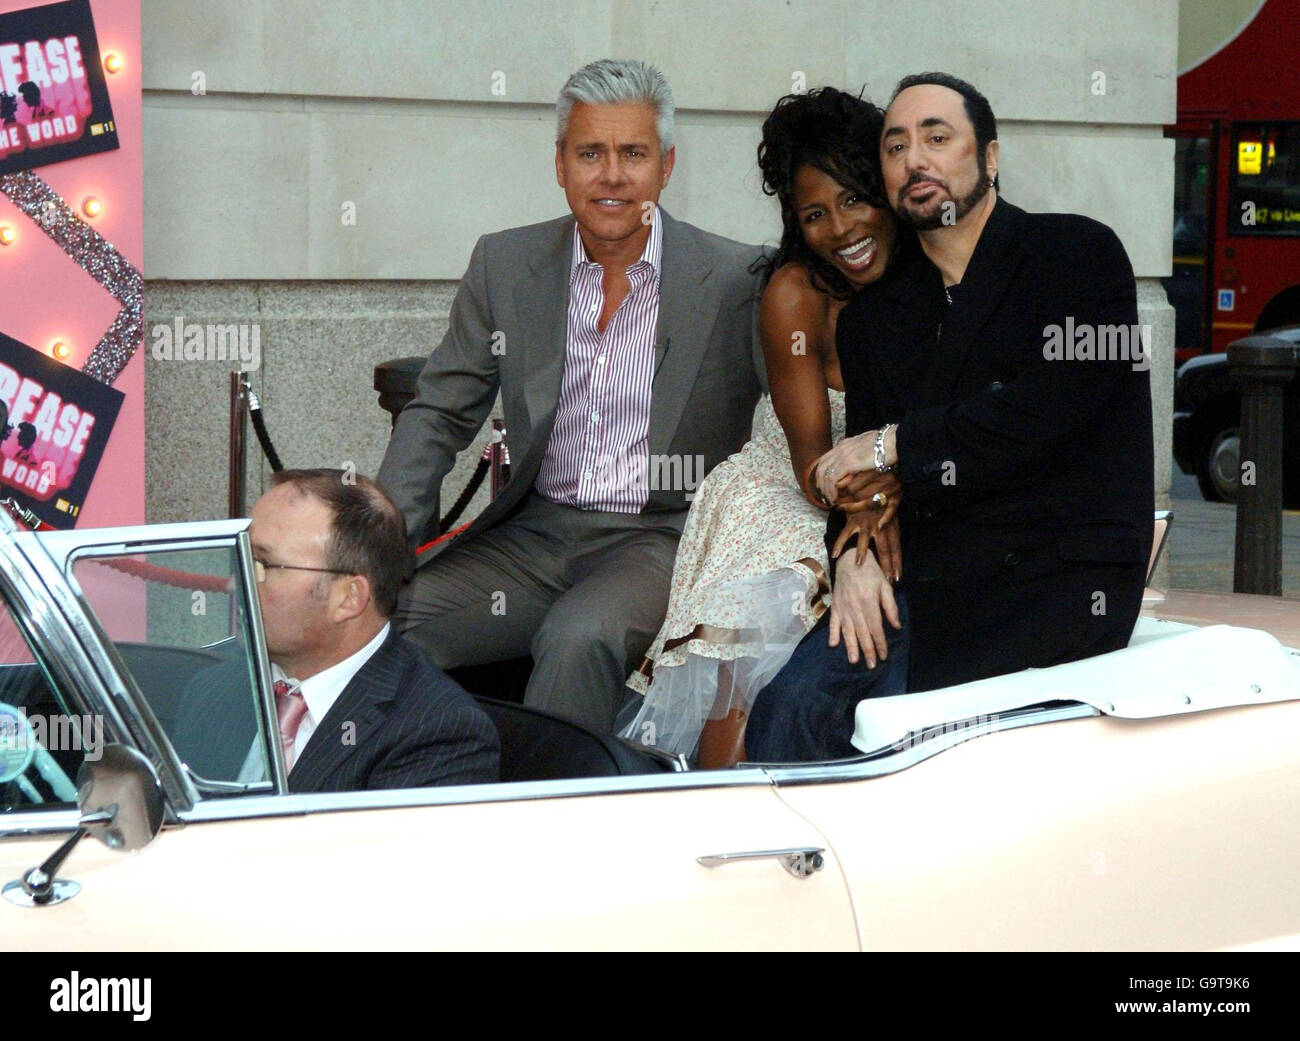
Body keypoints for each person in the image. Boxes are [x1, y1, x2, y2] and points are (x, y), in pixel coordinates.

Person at [746, 72, 1154, 762]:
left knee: (898, 732)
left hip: (1054, 586)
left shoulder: (1076, 254)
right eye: (897, 146)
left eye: (938, 136)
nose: (916, 158)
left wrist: (895, 444)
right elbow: (862, 481)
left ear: (989, 158)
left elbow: (1047, 408)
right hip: (928, 583)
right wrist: (855, 556)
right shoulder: (875, 320)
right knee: (788, 711)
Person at [377, 59, 765, 732]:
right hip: (533, 535)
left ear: (666, 166)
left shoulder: (737, 279)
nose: (611, 175)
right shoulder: (505, 265)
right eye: (591, 153)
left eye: (633, 154)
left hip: (660, 538)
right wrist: (377, 545)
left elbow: (809, 399)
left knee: (579, 636)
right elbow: (439, 413)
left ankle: (554, 829)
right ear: (561, 164)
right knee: (379, 624)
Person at [618, 88, 905, 765]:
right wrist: (873, 506)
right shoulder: (794, 295)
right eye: (815, 214)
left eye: (855, 198)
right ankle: (724, 812)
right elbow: (812, 465)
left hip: (890, 487)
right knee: (763, 623)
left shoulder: (929, 278)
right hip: (791, 493)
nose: (840, 228)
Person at [176, 469, 499, 792]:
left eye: (263, 566)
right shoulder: (213, 689)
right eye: (241, 559)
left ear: (349, 597)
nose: (236, 585)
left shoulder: (436, 734)